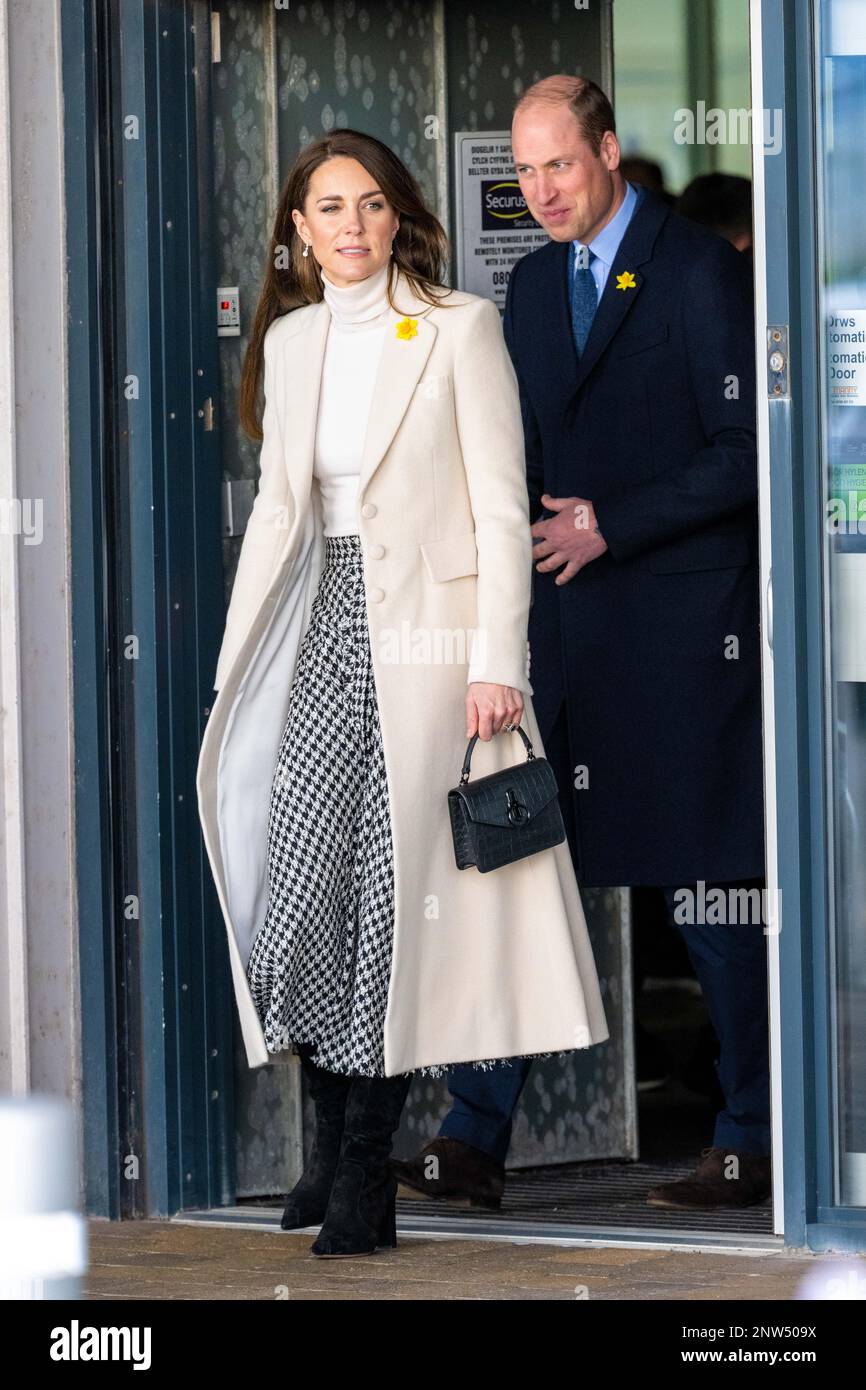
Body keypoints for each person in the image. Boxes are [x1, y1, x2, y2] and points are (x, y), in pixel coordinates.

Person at [195, 127, 609, 1258]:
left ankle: (364, 1174)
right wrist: (234, 668)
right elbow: (281, 514)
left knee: (391, 905)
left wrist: (496, 662)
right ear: (296, 231)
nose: (350, 227)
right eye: (327, 209)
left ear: (398, 217)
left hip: (429, 655)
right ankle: (325, 1146)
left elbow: (495, 505)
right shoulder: (289, 345)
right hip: (318, 633)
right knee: (299, 894)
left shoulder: (460, 330)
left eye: (370, 205)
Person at [393, 75, 770, 1212]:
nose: (541, 190)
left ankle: (751, 1136)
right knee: (509, 866)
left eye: (559, 164)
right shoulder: (522, 286)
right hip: (555, 632)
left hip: (675, 636)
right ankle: (471, 1139)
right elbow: (513, 457)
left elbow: (746, 446)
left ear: (606, 150)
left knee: (705, 890)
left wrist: (608, 520)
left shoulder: (700, 269)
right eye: (524, 171)